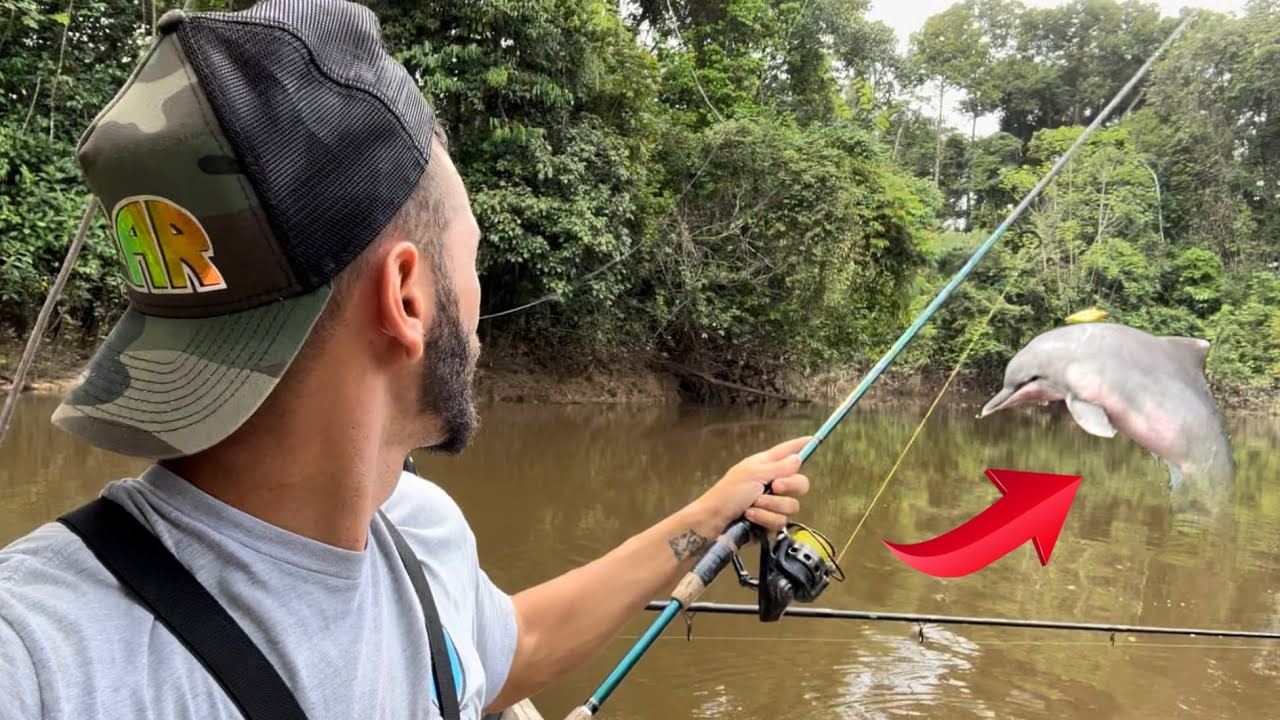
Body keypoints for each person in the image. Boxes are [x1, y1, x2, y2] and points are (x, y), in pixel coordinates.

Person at [0, 1, 811, 718]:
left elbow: (502, 653)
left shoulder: (418, 529)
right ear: (410, 295)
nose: (481, 291)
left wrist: (707, 519)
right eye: (473, 255)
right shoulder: (39, 654)